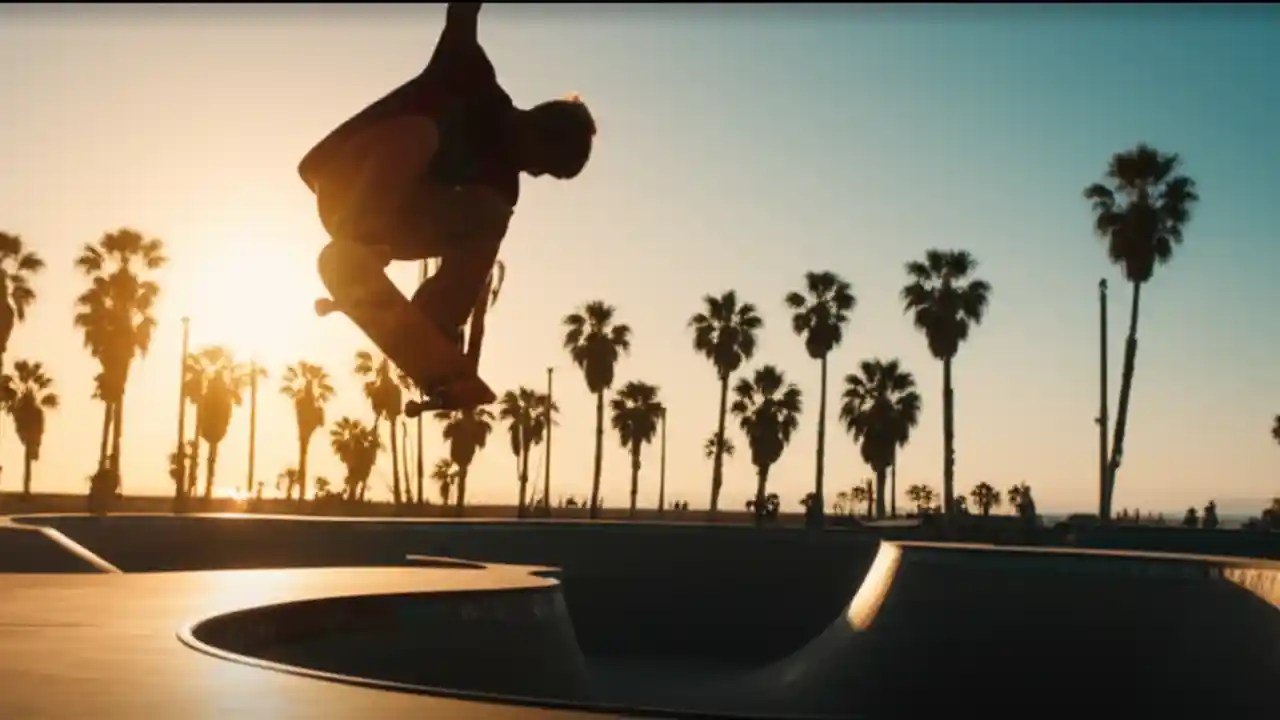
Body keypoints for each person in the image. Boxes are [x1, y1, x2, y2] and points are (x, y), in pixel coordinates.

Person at [298, 2, 596, 353]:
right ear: (539, 129)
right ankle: (359, 240)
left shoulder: (502, 184)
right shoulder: (471, 78)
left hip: (395, 228)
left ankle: (434, 321)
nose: (534, 173)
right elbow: (462, 14)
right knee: (420, 132)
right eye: (545, 164)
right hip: (345, 185)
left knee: (492, 214)